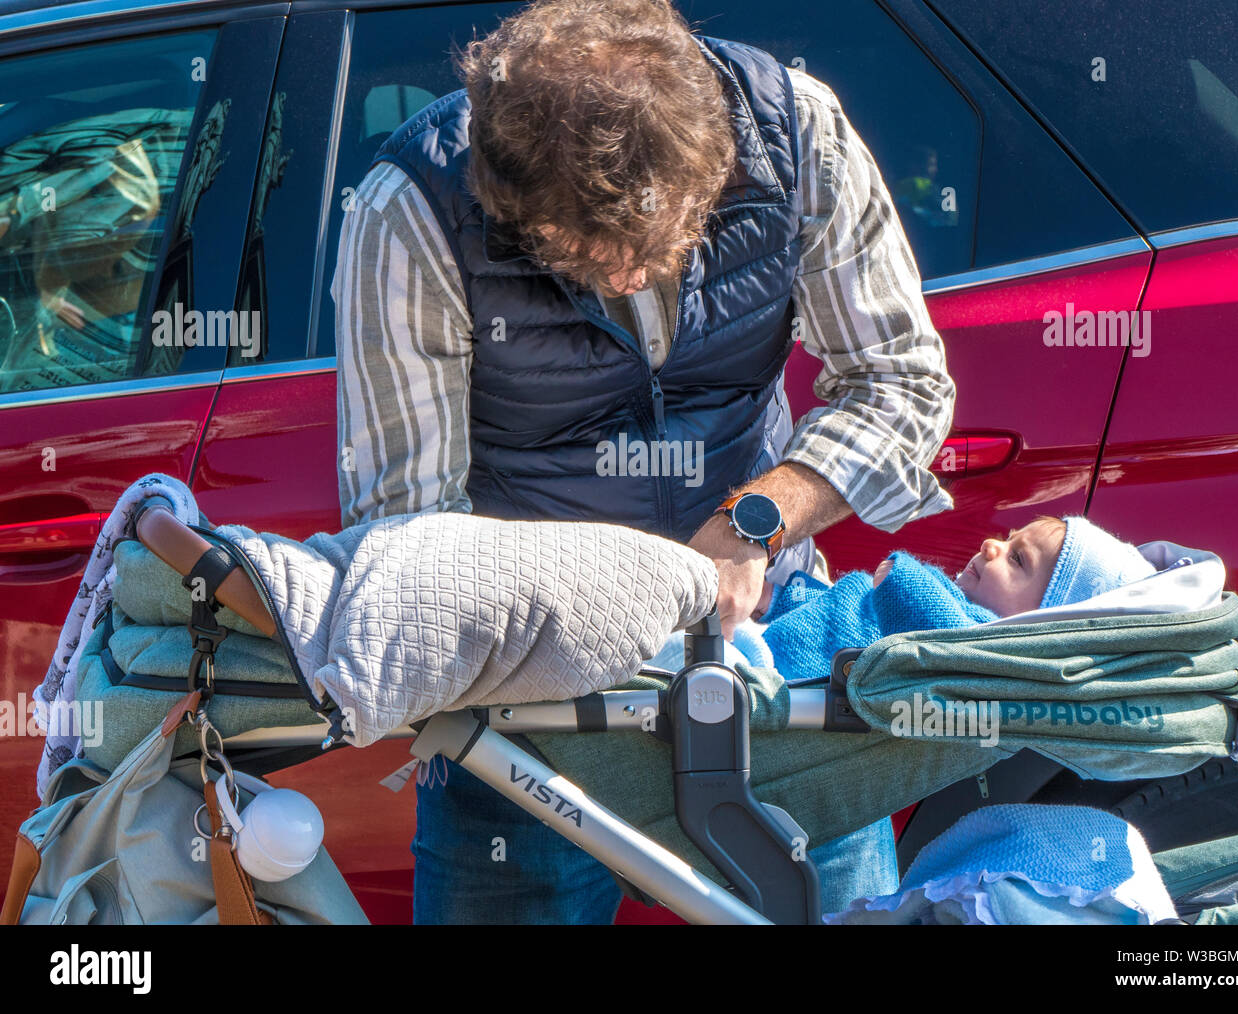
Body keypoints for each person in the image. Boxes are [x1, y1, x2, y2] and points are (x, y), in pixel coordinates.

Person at [332, 0, 956, 923]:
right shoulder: (410, 212)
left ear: (714, 168)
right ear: (506, 196)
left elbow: (900, 382)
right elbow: (408, 529)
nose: (626, 277)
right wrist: (599, 605)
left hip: (770, 652)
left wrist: (757, 523)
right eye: (583, 251)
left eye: (653, 249)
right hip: (526, 701)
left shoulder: (796, 134)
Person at [754, 516, 1157, 684]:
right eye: (1009, 537)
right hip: (792, 630)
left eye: (1017, 558)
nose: (991, 544)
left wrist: (901, 576)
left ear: (1044, 620)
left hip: (788, 673)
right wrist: (780, 598)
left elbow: (935, 620)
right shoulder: (961, 601)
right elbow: (847, 605)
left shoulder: (980, 643)